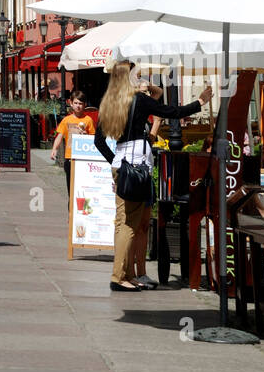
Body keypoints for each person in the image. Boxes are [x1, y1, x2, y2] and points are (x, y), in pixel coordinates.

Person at [94, 61, 212, 292]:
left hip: (121, 164)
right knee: (130, 224)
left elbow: (99, 141)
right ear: (128, 78)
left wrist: (116, 162)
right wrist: (200, 101)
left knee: (122, 223)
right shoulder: (138, 100)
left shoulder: (108, 103)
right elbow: (173, 112)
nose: (139, 80)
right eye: (136, 76)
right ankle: (118, 277)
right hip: (137, 165)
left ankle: (126, 274)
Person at [50, 89, 96, 198]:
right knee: (71, 188)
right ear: (71, 103)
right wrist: (54, 149)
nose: (78, 106)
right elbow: (59, 136)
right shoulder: (66, 120)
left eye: (80, 103)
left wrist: (86, 135)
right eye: (76, 103)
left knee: (83, 188)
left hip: (84, 158)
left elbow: (94, 138)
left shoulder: (88, 120)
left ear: (84, 105)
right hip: (70, 158)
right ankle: (71, 212)